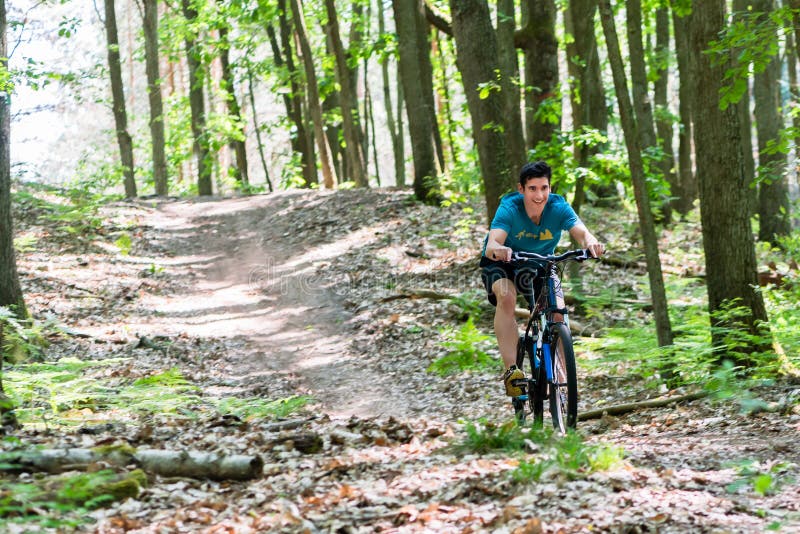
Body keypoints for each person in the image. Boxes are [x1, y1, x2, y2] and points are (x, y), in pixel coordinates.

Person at [480, 161, 604, 397]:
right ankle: (512, 372)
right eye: (533, 189)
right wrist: (498, 248)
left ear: (550, 188)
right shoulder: (510, 207)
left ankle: (563, 381)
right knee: (507, 297)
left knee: (558, 313)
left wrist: (591, 244)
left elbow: (582, 232)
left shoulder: (558, 207)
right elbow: (493, 242)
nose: (539, 195)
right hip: (503, 262)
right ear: (521, 189)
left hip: (540, 263)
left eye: (544, 188)